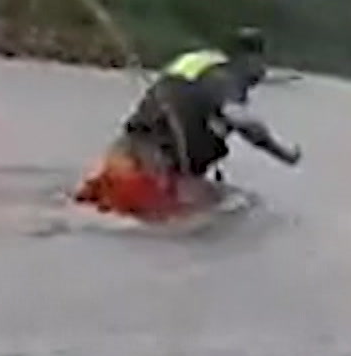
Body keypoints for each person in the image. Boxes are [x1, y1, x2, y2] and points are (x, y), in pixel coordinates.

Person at [75, 29, 301, 219]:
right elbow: (239, 119)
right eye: (261, 61)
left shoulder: (196, 64)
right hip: (157, 167)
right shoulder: (225, 80)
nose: (263, 70)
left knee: (92, 208)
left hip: (125, 150)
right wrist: (282, 153)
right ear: (246, 59)